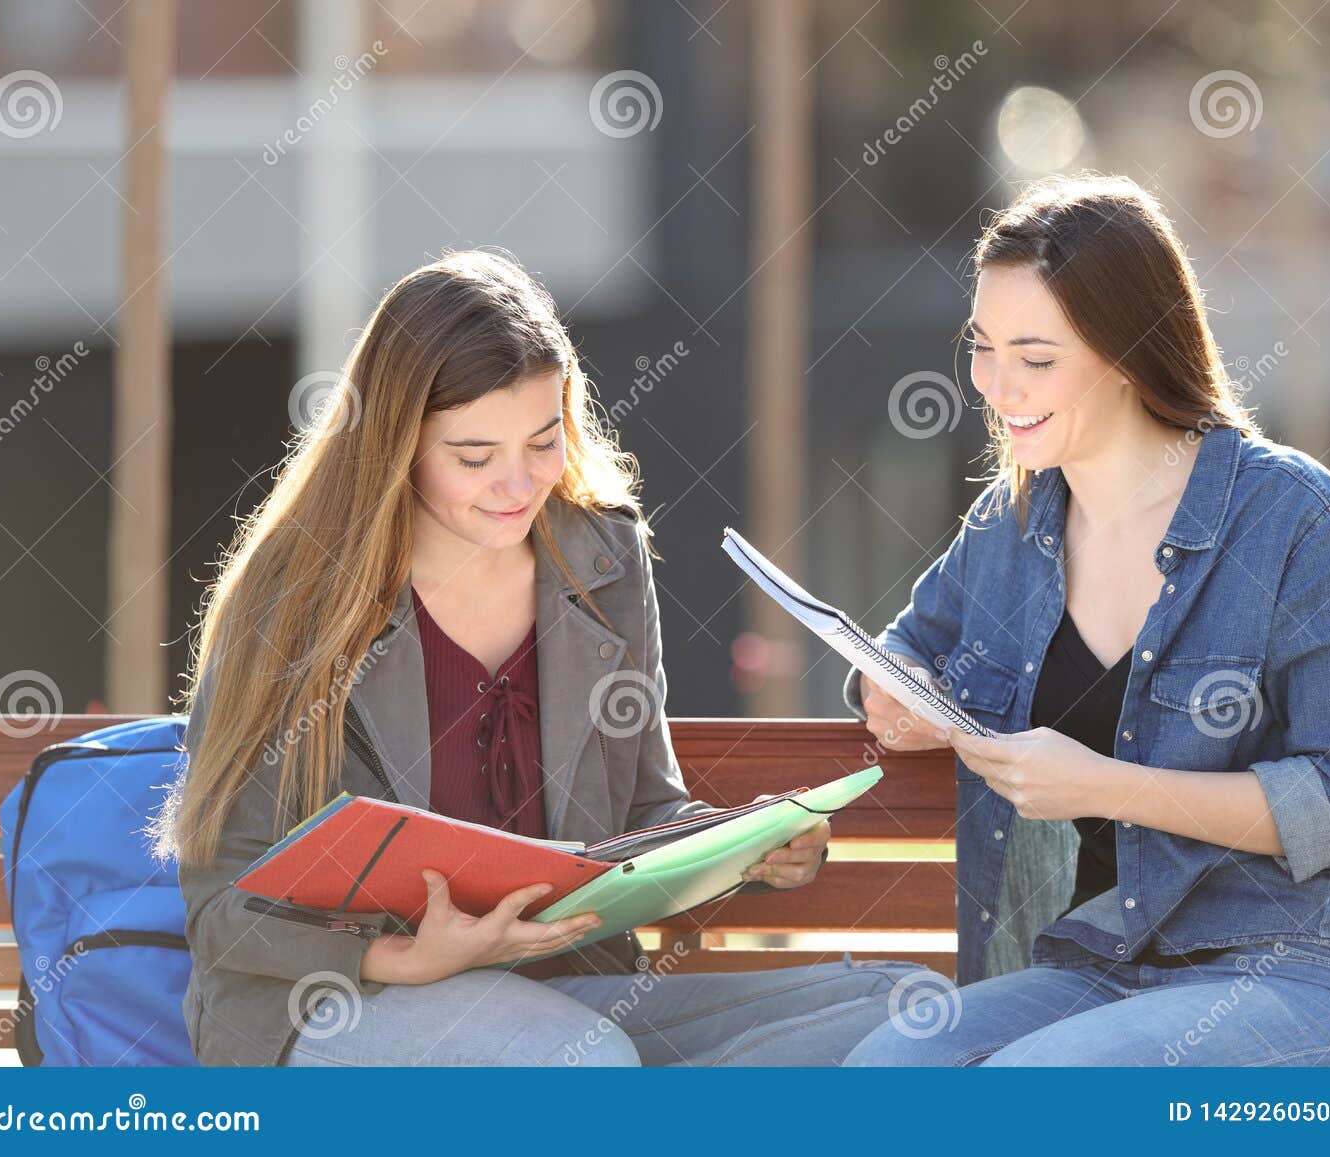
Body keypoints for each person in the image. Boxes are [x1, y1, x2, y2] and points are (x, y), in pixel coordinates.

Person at [158, 249, 918, 1067]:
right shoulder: (296, 594)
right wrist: (412, 956)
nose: (518, 486)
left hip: (568, 985)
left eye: (544, 440)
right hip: (345, 1002)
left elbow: (641, 819)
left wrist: (749, 846)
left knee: (893, 1008)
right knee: (581, 1066)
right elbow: (224, 904)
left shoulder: (601, 562)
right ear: (394, 445)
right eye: (474, 457)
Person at [843, 175, 1330, 1067]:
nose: (996, 387)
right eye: (982, 348)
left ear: (1127, 352)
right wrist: (899, 694)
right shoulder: (1011, 523)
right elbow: (907, 650)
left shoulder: (1297, 519)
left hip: (1306, 971)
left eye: (1036, 359)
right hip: (1109, 959)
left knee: (1038, 1085)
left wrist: (1105, 785)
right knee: (891, 1069)